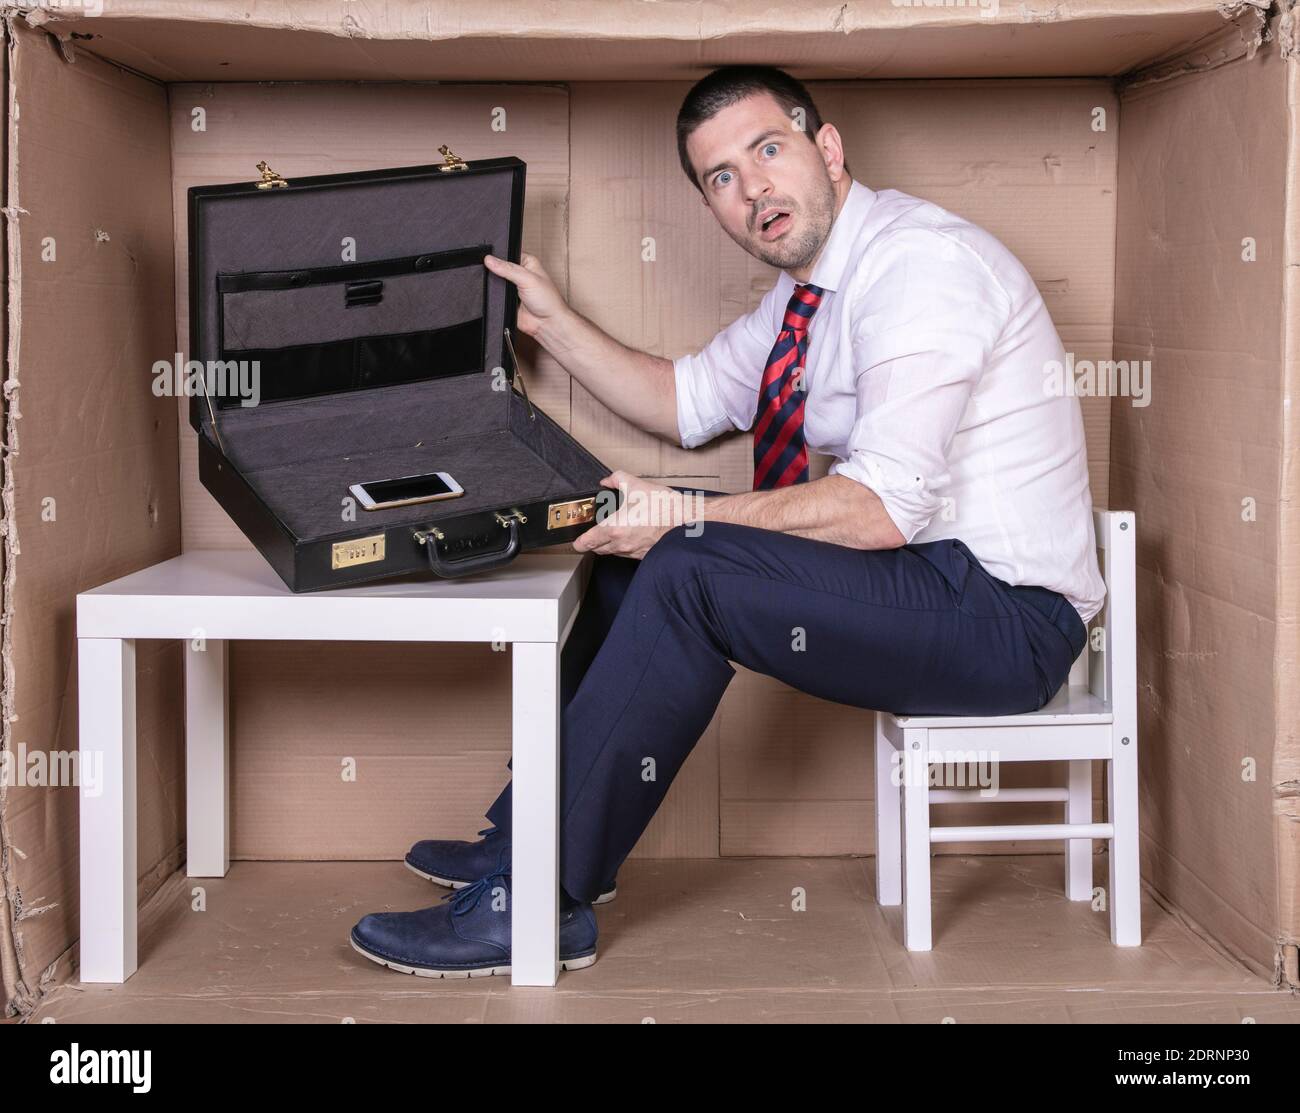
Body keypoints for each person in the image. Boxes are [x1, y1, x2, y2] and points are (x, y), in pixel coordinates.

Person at [349, 64, 1106, 978]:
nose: (753, 189)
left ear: (826, 149)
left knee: (684, 561)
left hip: (1007, 617)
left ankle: (538, 903)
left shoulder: (920, 265)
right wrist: (551, 325)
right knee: (638, 554)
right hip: (928, 580)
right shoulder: (806, 296)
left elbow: (878, 509)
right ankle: (526, 838)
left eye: (768, 150)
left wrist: (678, 517)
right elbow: (684, 398)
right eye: (720, 178)